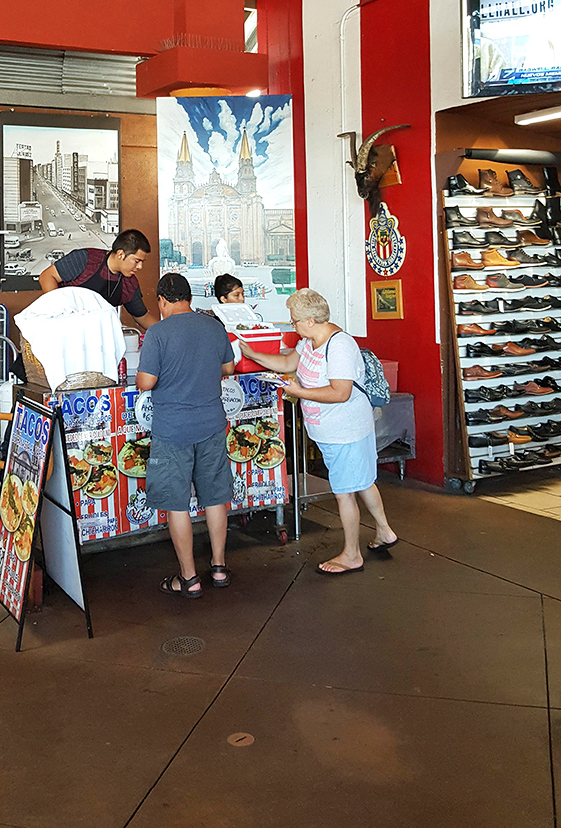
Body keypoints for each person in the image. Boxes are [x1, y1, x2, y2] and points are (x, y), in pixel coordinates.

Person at [240, 287, 396, 575]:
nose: (293, 326)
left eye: (295, 321)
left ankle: (352, 555)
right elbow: (288, 363)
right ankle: (384, 531)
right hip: (333, 428)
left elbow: (341, 392)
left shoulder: (339, 346)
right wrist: (254, 354)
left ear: (310, 320)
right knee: (362, 481)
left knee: (344, 492)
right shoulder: (310, 342)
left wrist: (299, 391)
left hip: (345, 429)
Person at [137, 273, 235, 598]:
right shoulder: (213, 326)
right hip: (211, 424)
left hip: (173, 430)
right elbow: (228, 369)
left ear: (162, 300)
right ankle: (219, 569)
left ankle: (190, 578)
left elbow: (146, 382)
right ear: (189, 298)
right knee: (215, 495)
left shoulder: (157, 333)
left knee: (176, 502)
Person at [38, 228, 157, 331]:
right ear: (121, 254)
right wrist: (62, 314)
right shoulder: (85, 259)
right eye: (137, 261)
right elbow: (47, 277)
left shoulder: (130, 284)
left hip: (95, 338)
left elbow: (142, 317)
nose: (140, 267)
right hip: (61, 329)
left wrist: (166, 331)